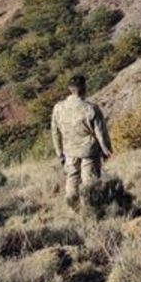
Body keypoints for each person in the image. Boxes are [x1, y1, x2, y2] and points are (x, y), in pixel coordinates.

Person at [50, 75, 112, 203]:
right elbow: (100, 133)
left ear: (70, 89)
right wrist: (106, 150)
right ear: (84, 87)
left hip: (69, 151)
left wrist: (59, 153)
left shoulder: (58, 108)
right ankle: (90, 208)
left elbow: (55, 132)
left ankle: (73, 204)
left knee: (72, 180)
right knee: (90, 183)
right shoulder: (91, 108)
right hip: (89, 151)